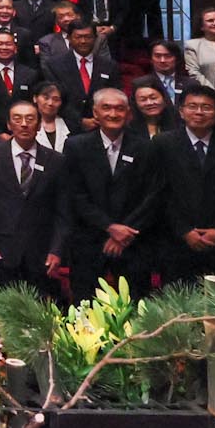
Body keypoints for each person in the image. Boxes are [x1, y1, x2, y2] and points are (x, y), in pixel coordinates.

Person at [151, 83, 215, 286]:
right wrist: (184, 231)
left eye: (206, 107)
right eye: (192, 106)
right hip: (175, 243)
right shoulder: (162, 144)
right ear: (181, 111)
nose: (199, 112)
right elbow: (158, 193)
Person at [61, 87, 159, 296]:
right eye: (106, 108)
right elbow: (75, 194)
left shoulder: (146, 148)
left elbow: (152, 196)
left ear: (129, 114)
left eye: (119, 109)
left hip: (133, 242)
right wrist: (109, 227)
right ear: (95, 113)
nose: (113, 114)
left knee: (136, 309)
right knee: (85, 310)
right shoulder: (76, 146)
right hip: (89, 240)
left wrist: (124, 232)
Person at [0, 101, 64, 291]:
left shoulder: (56, 160)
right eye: (17, 119)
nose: (24, 124)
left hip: (40, 252)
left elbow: (63, 210)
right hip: (1, 252)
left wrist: (56, 249)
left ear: (38, 125)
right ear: (8, 124)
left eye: (30, 119)